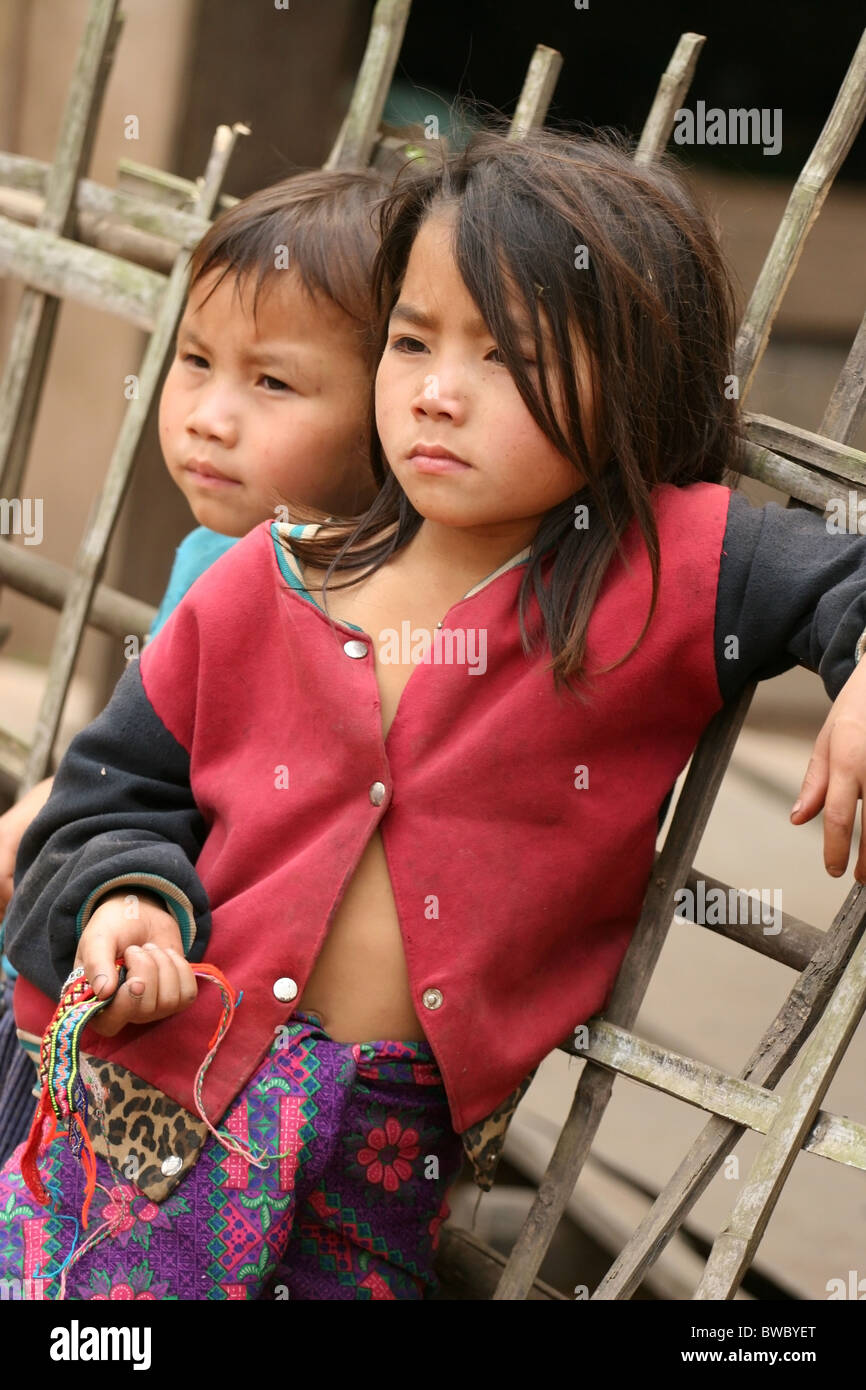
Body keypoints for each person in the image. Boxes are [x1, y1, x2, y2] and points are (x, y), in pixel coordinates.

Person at [2, 119, 866, 1302]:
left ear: (633, 374)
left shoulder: (674, 569)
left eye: (507, 356)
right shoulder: (270, 578)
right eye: (411, 342)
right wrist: (127, 903)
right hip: (162, 1079)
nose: (438, 395)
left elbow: (843, 573)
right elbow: (109, 798)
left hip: (384, 1148)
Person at [0, 163, 389, 1165]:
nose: (209, 417)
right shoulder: (212, 559)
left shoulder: (353, 597)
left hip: (194, 998)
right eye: (193, 360)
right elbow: (152, 754)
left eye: (271, 381)